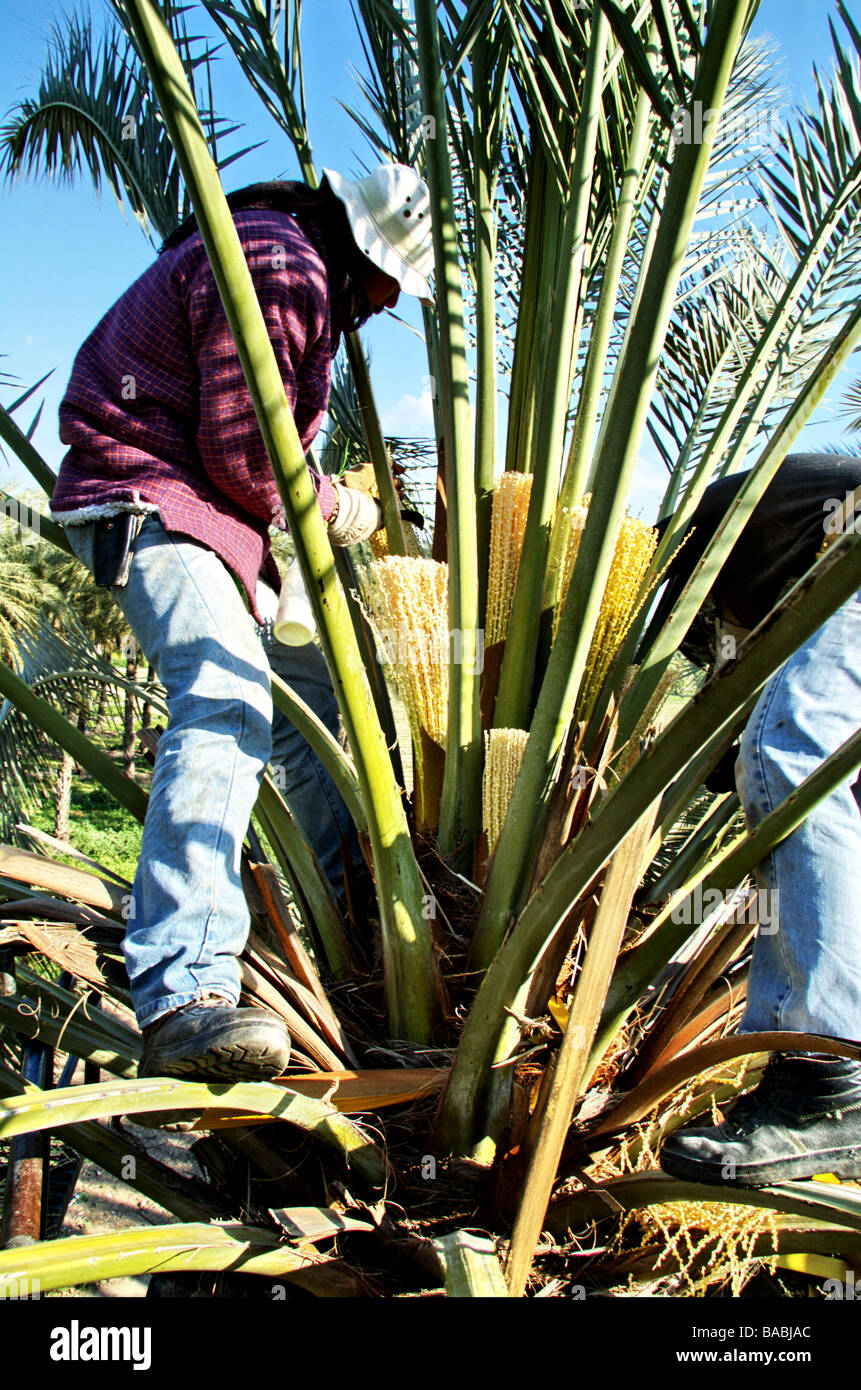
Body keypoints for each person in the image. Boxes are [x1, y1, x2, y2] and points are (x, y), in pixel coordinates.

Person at [49, 163, 434, 1083]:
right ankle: (184, 990)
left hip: (212, 520)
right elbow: (250, 451)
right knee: (223, 699)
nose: (386, 305)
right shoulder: (278, 262)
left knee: (313, 721)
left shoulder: (290, 261)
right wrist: (344, 509)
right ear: (363, 249)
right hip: (151, 500)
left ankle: (359, 936)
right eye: (392, 282)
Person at [649, 453, 861, 1186]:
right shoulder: (762, 533)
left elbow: (732, 682)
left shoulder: (683, 564)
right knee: (840, 798)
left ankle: (823, 1074)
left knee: (792, 754)